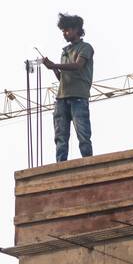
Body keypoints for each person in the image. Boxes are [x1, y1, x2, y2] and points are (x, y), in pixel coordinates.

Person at [42, 14, 95, 163]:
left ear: (76, 29)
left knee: (83, 135)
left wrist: (55, 65)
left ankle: (89, 164)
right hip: (61, 98)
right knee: (60, 137)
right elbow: (62, 79)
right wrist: (52, 67)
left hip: (78, 97)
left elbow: (78, 66)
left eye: (67, 30)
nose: (64, 33)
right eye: (63, 31)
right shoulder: (65, 51)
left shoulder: (85, 47)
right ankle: (61, 167)